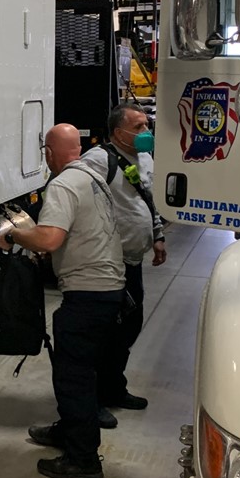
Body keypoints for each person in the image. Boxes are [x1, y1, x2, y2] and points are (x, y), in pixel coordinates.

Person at [0, 123, 130, 478]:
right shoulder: (94, 178)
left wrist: (14, 234)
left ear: (50, 153)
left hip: (87, 294)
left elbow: (50, 238)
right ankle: (69, 431)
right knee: (80, 372)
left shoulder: (62, 183)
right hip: (110, 290)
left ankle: (83, 458)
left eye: (45, 151)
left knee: (73, 378)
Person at [81, 103, 165, 425]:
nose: (146, 132)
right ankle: (95, 399)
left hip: (133, 261)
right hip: (107, 265)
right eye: (139, 126)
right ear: (119, 133)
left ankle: (114, 387)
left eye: (146, 124)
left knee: (128, 327)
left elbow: (150, 199)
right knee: (104, 332)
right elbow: (79, 200)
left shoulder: (144, 158)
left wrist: (157, 235)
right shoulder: (99, 160)